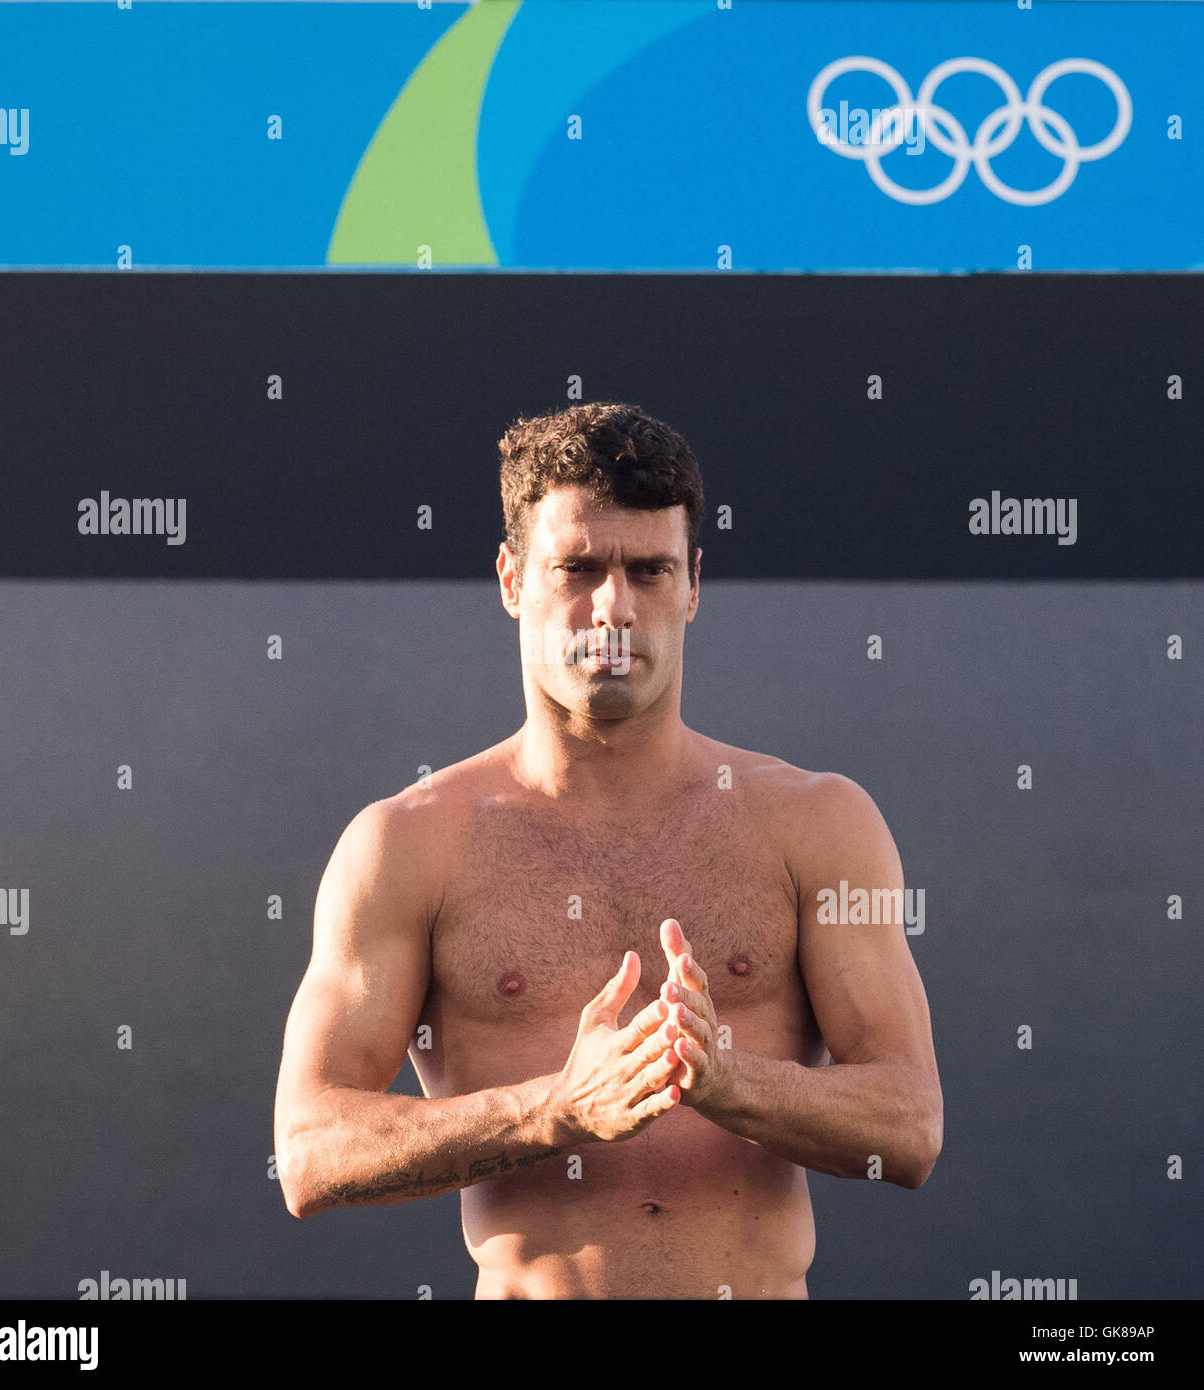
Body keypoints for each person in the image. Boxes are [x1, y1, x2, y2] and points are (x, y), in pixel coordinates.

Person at [273, 401, 943, 1299]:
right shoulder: (405, 843)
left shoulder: (817, 824)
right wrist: (553, 1110)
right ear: (512, 579)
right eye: (577, 568)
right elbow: (309, 1151)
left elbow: (908, 1126)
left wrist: (722, 1078)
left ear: (694, 584)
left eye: (650, 570)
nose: (614, 607)